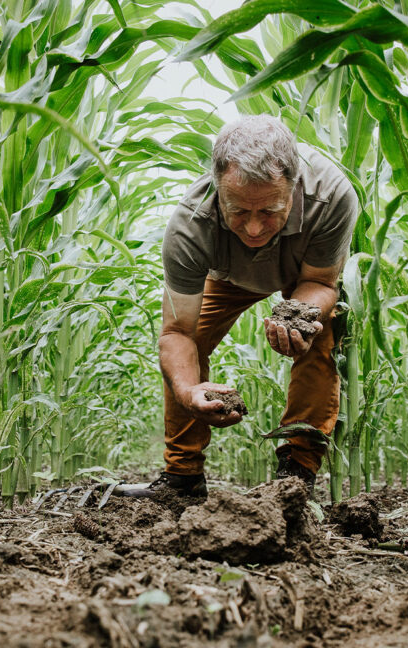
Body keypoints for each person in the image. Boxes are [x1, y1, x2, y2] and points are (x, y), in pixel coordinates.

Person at [118, 115, 359, 499]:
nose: (253, 229)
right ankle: (183, 477)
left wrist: (299, 318)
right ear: (217, 189)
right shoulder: (190, 226)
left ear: (294, 187)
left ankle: (296, 476)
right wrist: (188, 392)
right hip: (228, 275)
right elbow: (176, 332)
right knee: (189, 345)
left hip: (303, 274)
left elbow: (321, 282)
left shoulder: (331, 197)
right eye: (238, 212)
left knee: (320, 332)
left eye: (269, 211)